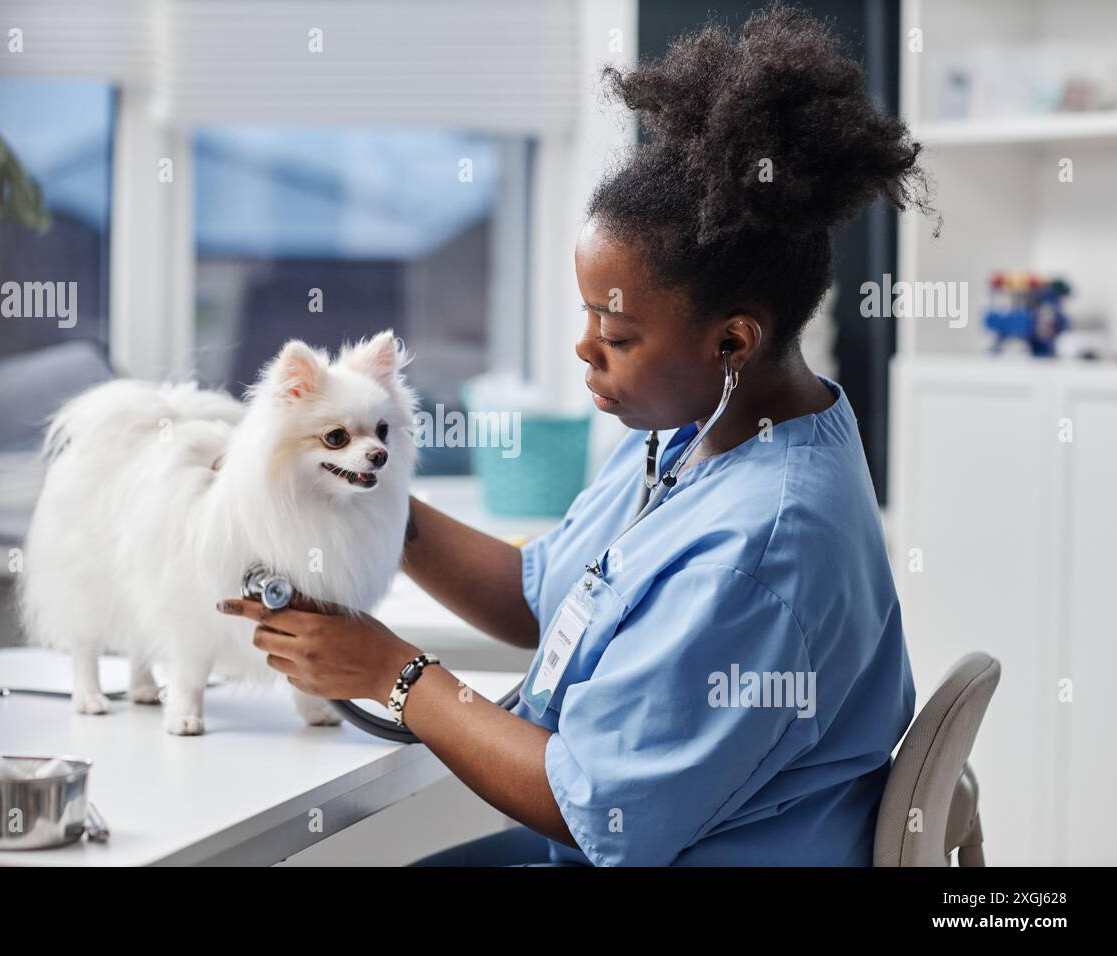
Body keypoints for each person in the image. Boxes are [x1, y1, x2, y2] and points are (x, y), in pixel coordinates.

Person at [217, 3, 925, 866]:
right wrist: (355, 495)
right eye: (587, 315)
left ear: (731, 340)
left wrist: (393, 677)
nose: (584, 349)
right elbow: (537, 595)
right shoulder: (703, 429)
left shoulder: (763, 548)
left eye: (617, 335)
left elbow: (598, 805)